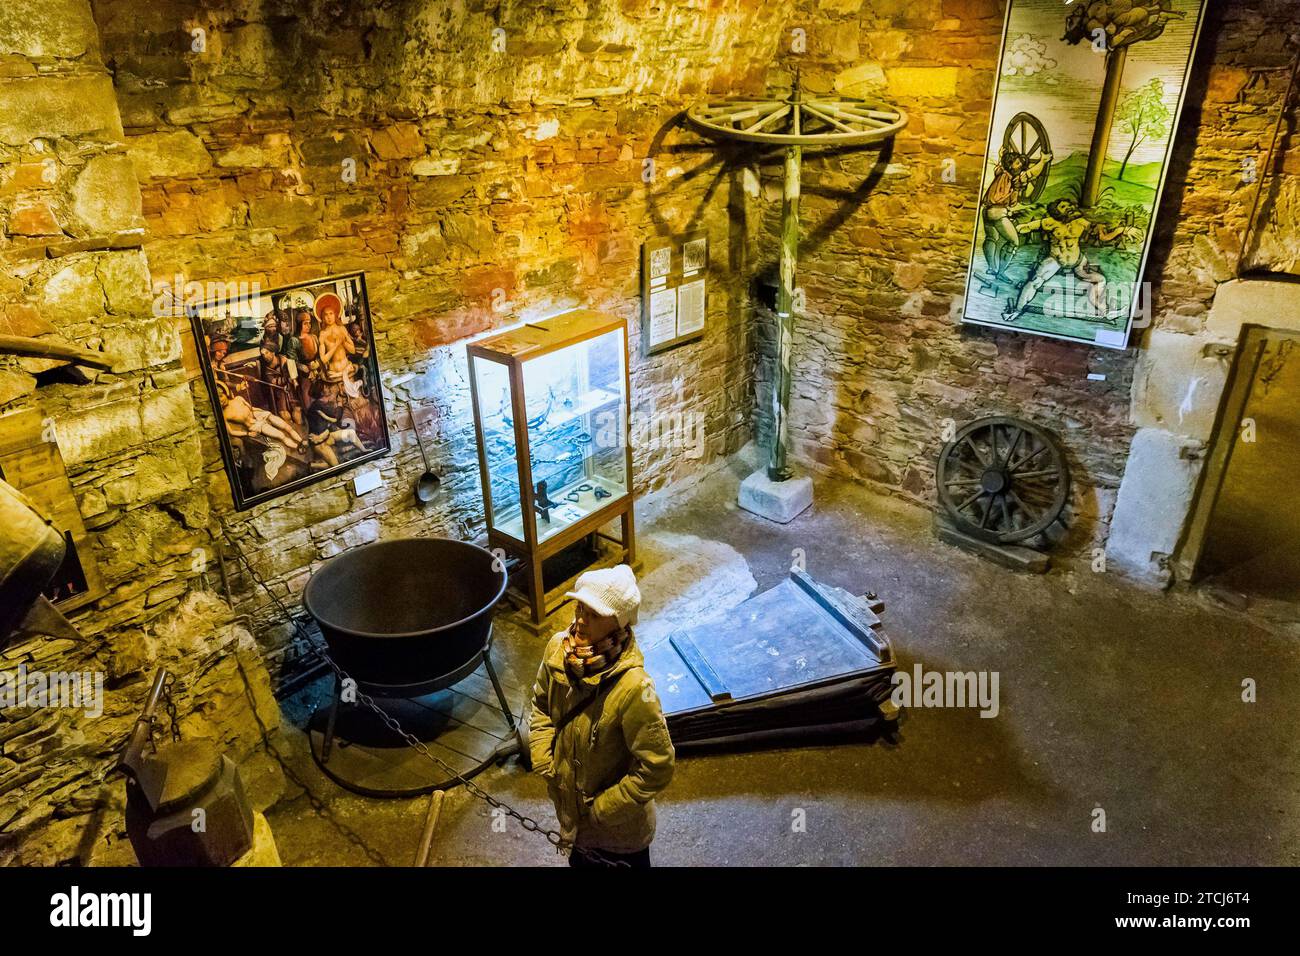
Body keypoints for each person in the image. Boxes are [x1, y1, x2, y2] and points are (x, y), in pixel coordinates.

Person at [528, 565, 674, 868]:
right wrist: (543, 756)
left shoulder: (635, 688)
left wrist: (603, 811)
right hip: (573, 820)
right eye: (580, 607)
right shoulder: (558, 649)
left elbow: (657, 766)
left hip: (620, 836)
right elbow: (541, 702)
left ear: (618, 623)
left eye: (593, 614)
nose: (580, 620)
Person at [1002, 197, 1137, 322]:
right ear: (1056, 211)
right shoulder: (1048, 222)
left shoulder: (1081, 222)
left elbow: (1103, 237)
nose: (1069, 207)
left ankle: (1106, 311)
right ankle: (1017, 310)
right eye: (1063, 206)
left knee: (1100, 280)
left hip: (1077, 260)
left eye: (1069, 205)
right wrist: (1009, 228)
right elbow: (1024, 227)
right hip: (1055, 259)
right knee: (1034, 282)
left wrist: (1122, 230)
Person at [980, 145, 1051, 280]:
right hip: (997, 212)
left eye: (1021, 164)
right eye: (1018, 163)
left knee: (991, 239)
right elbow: (1032, 174)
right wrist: (1043, 161)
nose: (1021, 166)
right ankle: (1000, 272)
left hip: (987, 211)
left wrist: (1001, 156)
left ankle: (991, 268)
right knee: (1014, 242)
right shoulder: (1012, 178)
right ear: (1011, 164)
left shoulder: (1000, 172)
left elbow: (1012, 199)